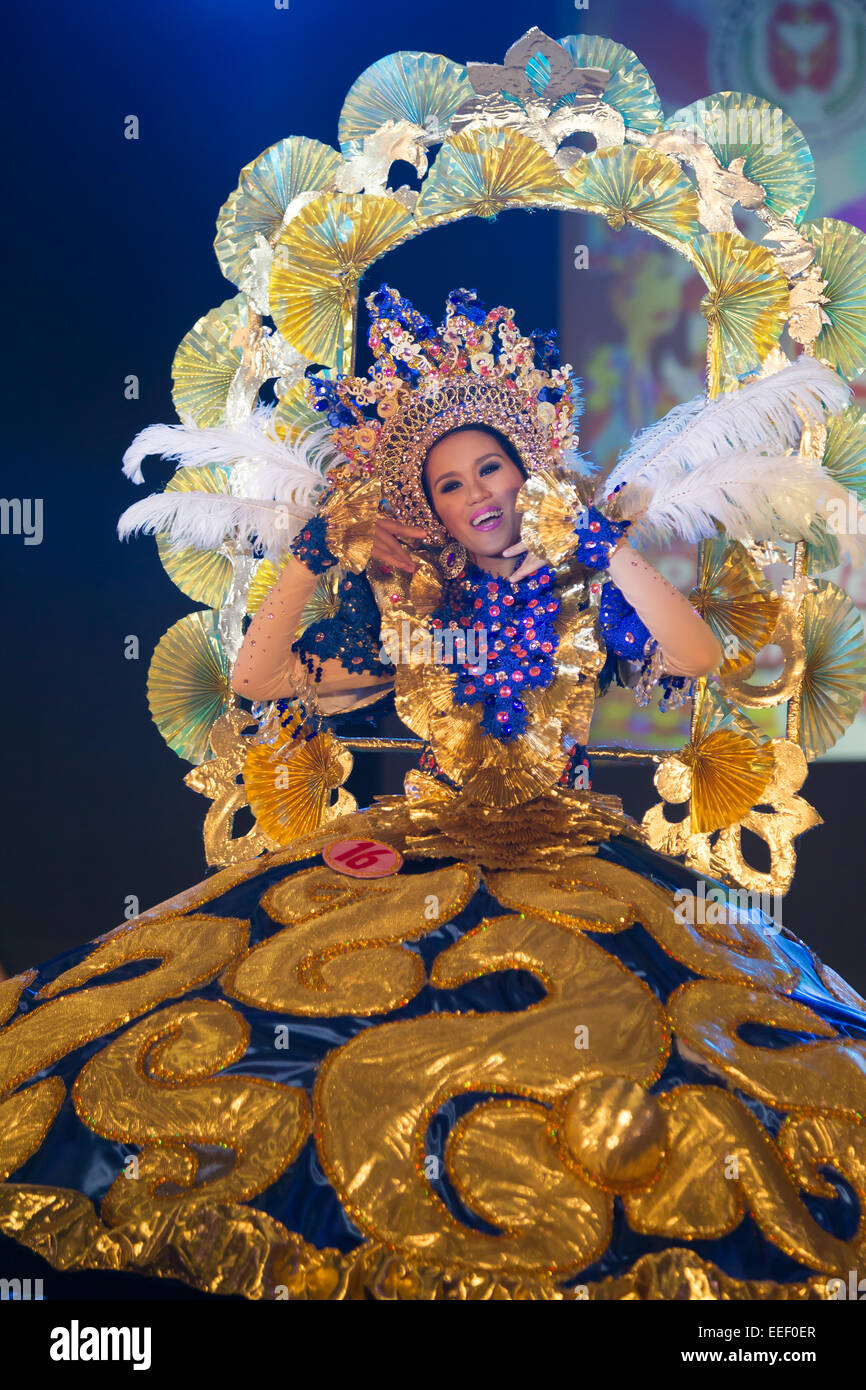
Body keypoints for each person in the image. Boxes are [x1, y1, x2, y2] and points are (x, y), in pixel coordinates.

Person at [2, 284, 865, 1302]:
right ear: (431, 509)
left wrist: (603, 547)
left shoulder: (582, 597)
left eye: (491, 467)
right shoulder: (414, 609)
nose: (478, 495)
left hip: (571, 856)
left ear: (526, 471)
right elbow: (256, 678)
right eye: (450, 485)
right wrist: (312, 555)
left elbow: (697, 652)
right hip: (416, 846)